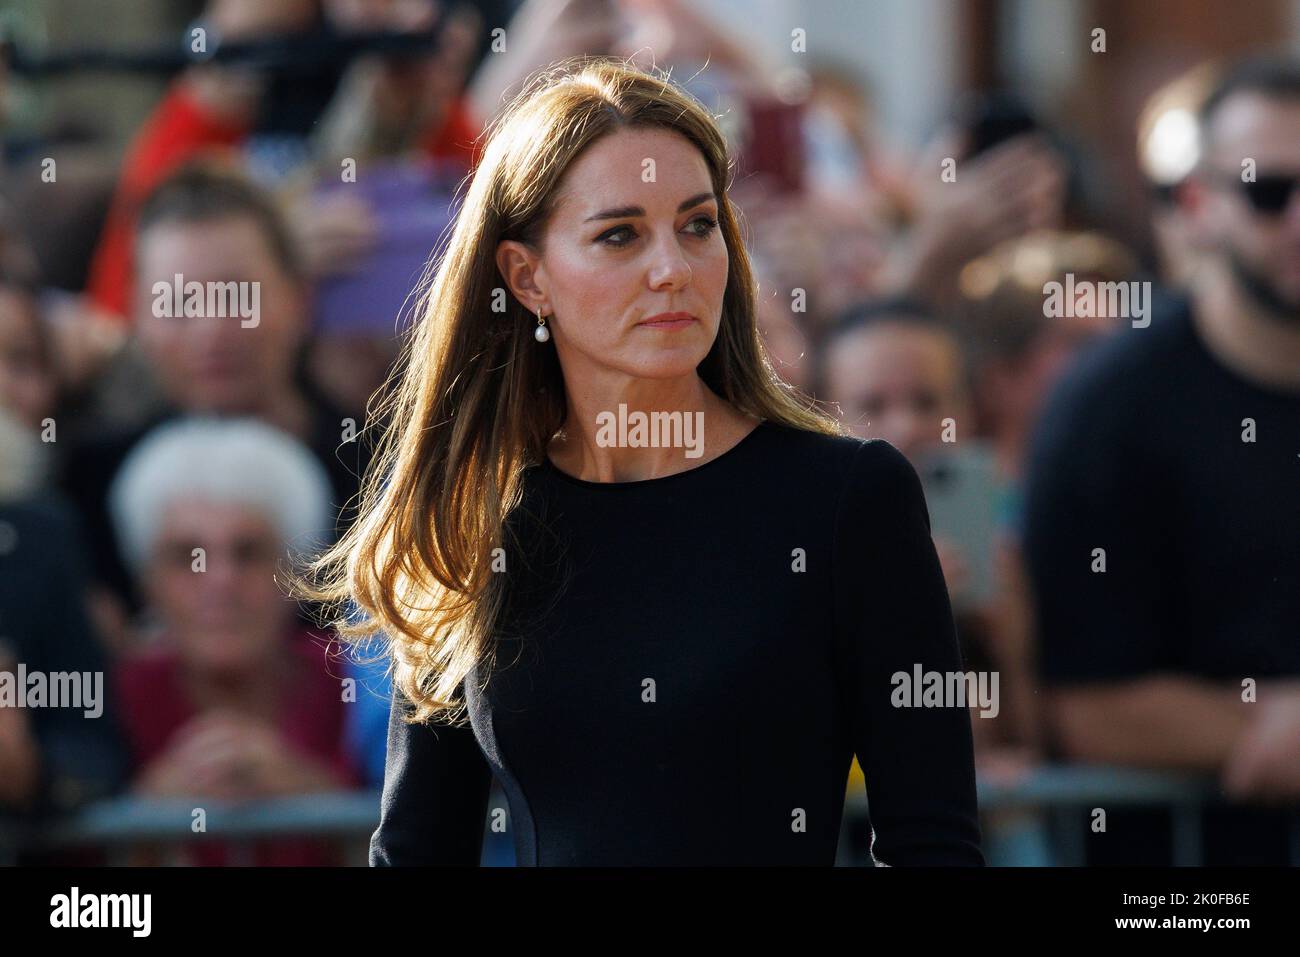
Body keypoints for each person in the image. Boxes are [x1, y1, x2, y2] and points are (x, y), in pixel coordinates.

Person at [297, 57, 984, 867]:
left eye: (697, 225)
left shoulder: (848, 499)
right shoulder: (478, 516)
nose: (674, 269)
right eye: (619, 235)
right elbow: (415, 851)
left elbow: (932, 844)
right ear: (526, 277)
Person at [1022, 55, 1300, 865]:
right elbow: (1085, 701)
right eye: (1269, 192)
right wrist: (1267, 726)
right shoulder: (1109, 408)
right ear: (1198, 204)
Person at [108, 417, 359, 865]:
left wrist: (316, 798)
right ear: (147, 582)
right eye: (187, 556)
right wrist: (142, 824)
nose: (220, 580)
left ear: (296, 574)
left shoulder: (356, 679)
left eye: (248, 553)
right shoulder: (113, 698)